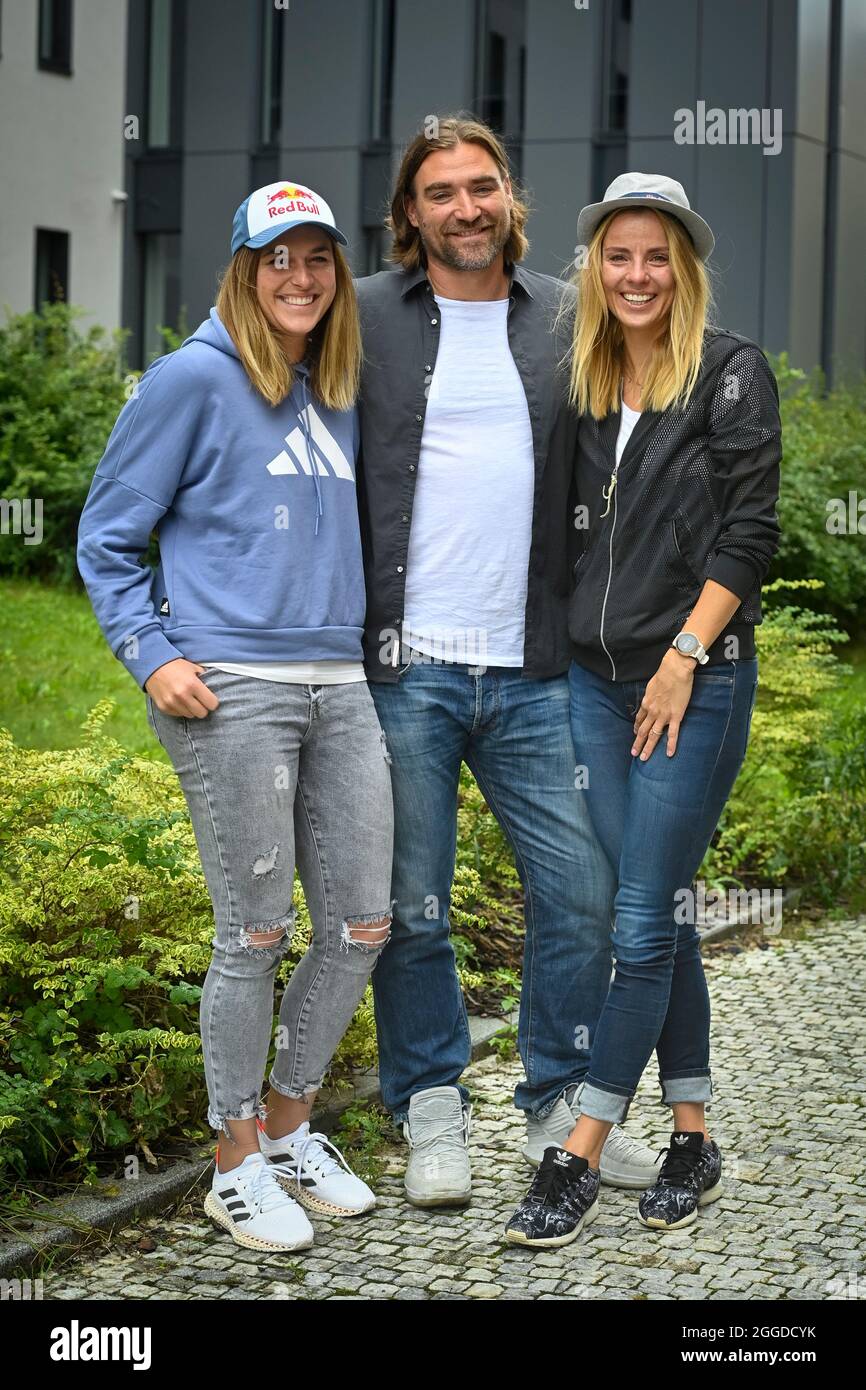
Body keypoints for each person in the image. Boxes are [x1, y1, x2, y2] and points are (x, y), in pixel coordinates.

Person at [77, 181, 395, 1252]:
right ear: (242, 268)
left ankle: (292, 1123)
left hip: (339, 684)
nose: (298, 277)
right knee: (254, 931)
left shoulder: (337, 383)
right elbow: (107, 538)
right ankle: (232, 1159)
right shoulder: (188, 381)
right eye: (276, 258)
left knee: (360, 921)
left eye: (316, 258)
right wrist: (150, 655)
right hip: (231, 689)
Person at [354, 118, 662, 1208]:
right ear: (410, 214)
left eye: (480, 187)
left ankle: (557, 1097)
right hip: (406, 666)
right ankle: (430, 1104)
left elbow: (647, 440)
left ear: (508, 198)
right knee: (414, 900)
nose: (464, 207)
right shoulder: (364, 312)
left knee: (579, 891)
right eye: (439, 192)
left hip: (536, 667)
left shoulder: (568, 317)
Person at [505, 173, 782, 1247]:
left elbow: (747, 535)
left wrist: (681, 653)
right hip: (590, 677)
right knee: (655, 907)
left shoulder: (727, 373)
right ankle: (692, 1132)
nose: (634, 275)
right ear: (595, 267)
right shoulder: (581, 380)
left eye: (654, 256)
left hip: (693, 680)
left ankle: (576, 1151)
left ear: (683, 268)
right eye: (616, 256)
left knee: (633, 922)